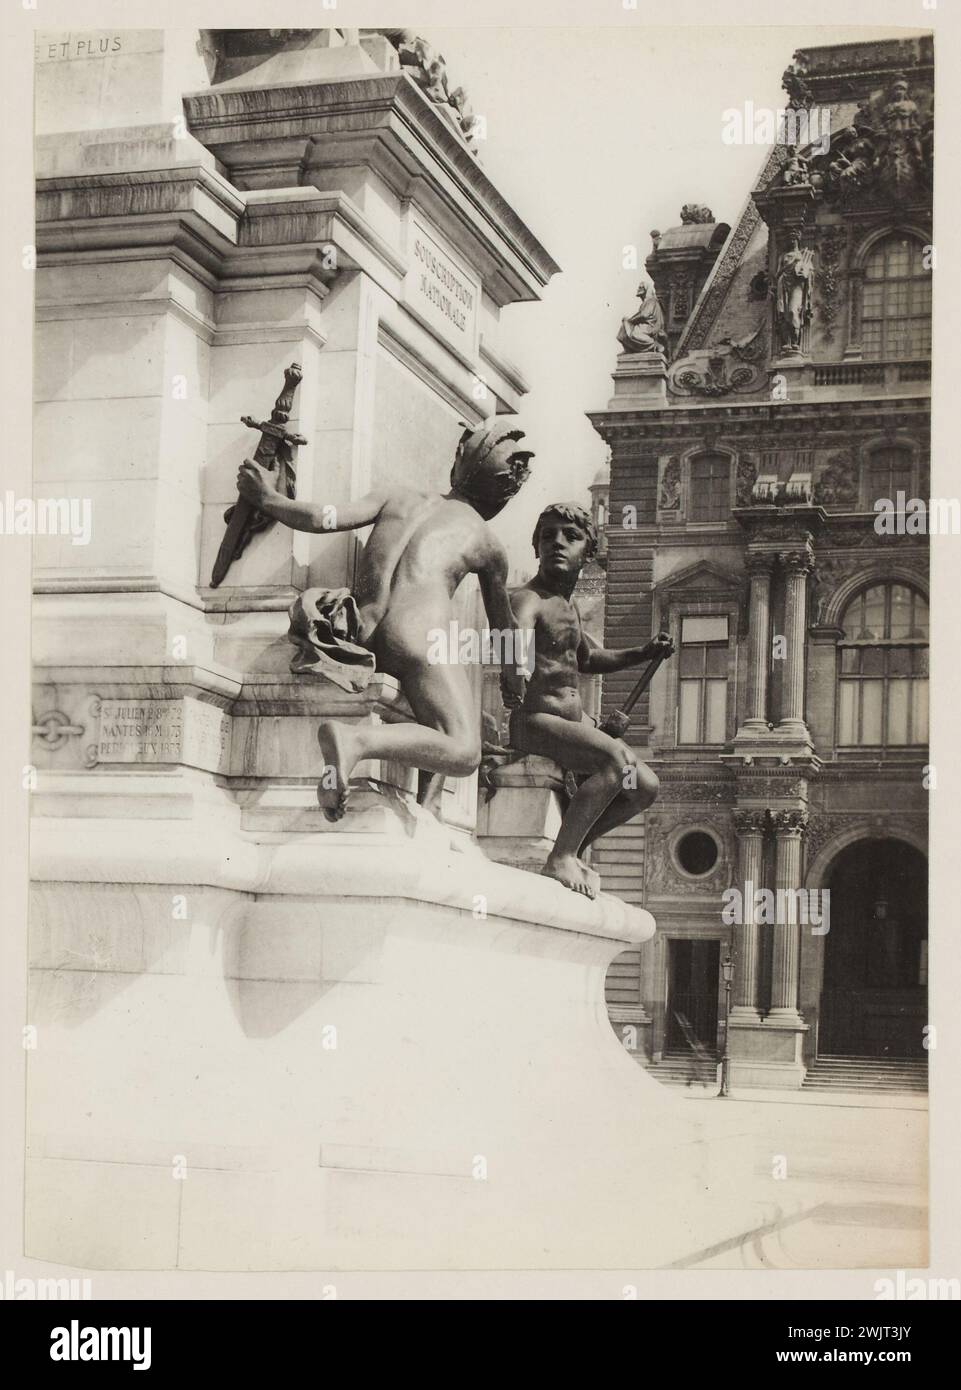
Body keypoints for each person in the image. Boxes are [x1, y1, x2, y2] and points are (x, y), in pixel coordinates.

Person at [236, 421, 533, 821]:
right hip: (418, 637)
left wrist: (266, 497)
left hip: (359, 629)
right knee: (464, 749)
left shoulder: (398, 496)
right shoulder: (487, 542)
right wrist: (515, 674)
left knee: (439, 713)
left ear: (459, 463)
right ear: (504, 494)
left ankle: (425, 809)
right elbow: (503, 628)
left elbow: (324, 517)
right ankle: (355, 740)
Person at [505, 503, 674, 898]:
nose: (557, 544)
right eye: (548, 536)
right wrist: (515, 667)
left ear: (589, 553)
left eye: (571, 537)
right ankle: (560, 856)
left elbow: (587, 660)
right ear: (535, 546)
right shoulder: (529, 599)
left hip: (571, 726)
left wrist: (643, 652)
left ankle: (572, 843)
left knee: (644, 785)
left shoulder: (569, 606)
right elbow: (516, 636)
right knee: (616, 761)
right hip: (536, 724)